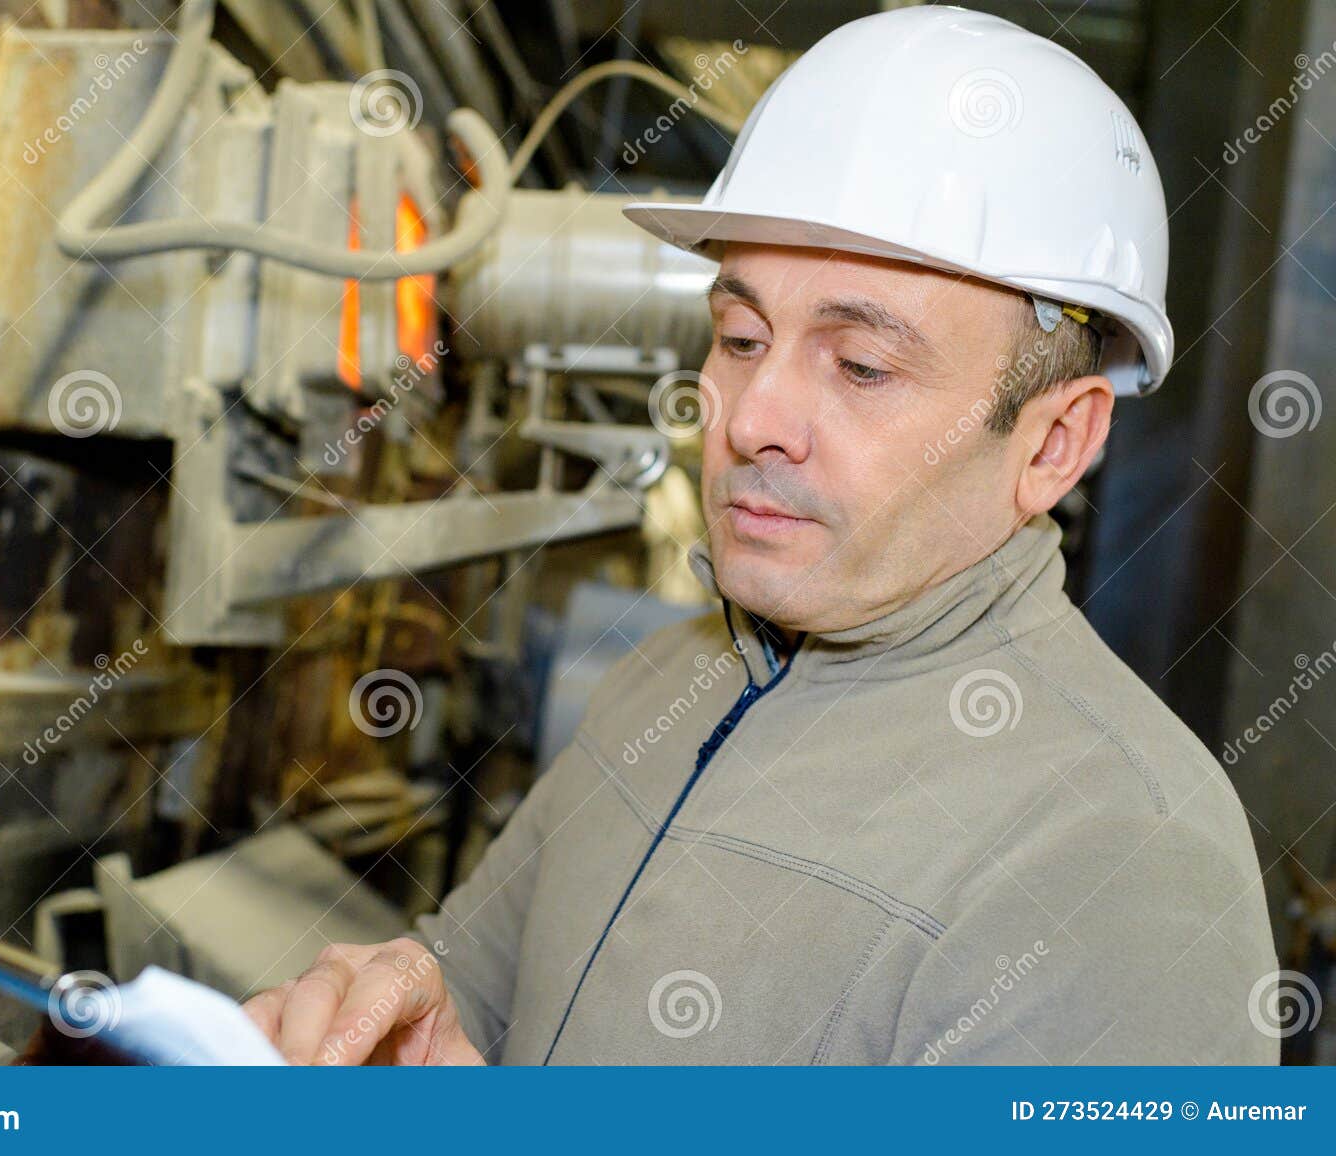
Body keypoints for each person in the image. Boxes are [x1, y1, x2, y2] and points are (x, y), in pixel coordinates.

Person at [243, 5, 1277, 1065]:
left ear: (1054, 443)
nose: (746, 419)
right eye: (738, 337)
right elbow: (476, 990)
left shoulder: (1123, 863)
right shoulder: (659, 683)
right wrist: (398, 1005)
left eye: (861, 367)